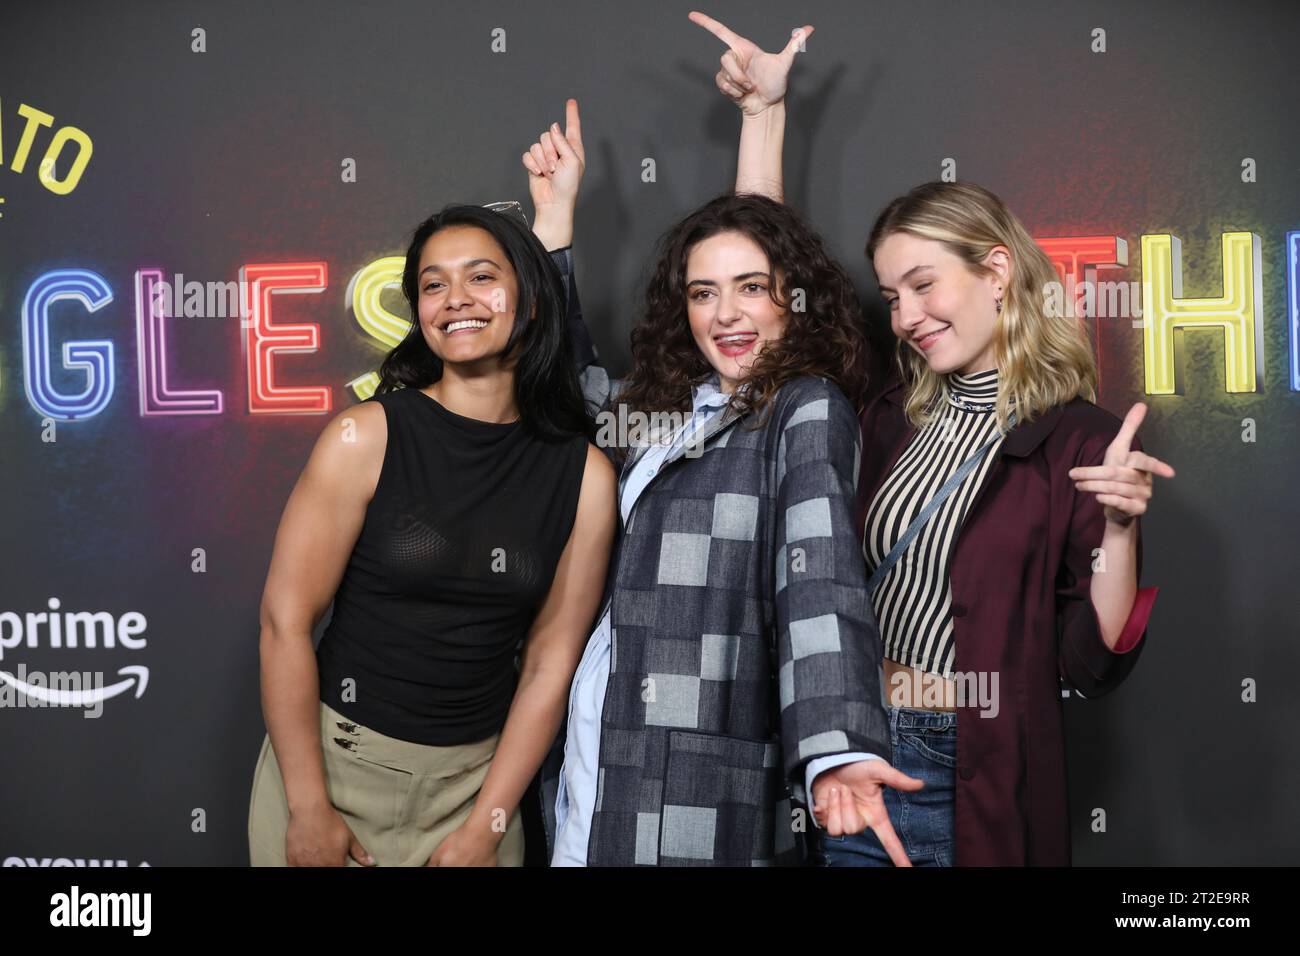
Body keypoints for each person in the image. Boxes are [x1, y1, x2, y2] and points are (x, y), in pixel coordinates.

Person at [699, 12, 1175, 865]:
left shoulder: (1077, 440)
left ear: (995, 270)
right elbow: (768, 280)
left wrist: (1119, 530)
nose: (908, 315)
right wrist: (762, 116)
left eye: (924, 284)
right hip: (848, 746)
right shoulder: (885, 404)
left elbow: (1090, 663)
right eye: (891, 295)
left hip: (964, 767)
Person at [521, 97, 923, 867]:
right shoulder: (667, 404)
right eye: (703, 293)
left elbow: (821, 580)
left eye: (751, 287)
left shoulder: (804, 407)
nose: (725, 315)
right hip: (597, 731)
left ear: (791, 296)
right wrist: (555, 225)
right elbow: (568, 387)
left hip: (697, 772)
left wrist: (836, 746)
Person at [247, 202, 616, 866]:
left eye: (481, 277)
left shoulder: (584, 476)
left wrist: (489, 825)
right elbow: (284, 623)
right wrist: (307, 807)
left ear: (530, 298)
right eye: (433, 285)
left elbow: (547, 666)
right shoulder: (365, 437)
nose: (455, 300)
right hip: (333, 773)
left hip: (476, 791)